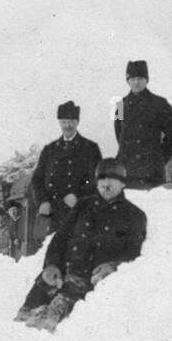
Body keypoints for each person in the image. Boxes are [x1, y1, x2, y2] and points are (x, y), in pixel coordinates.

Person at [15, 158, 147, 332]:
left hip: (86, 282)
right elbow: (60, 238)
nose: (106, 184)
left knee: (44, 326)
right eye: (102, 179)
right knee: (20, 322)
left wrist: (113, 266)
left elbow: (133, 253)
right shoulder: (83, 206)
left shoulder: (134, 215)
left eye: (112, 179)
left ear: (122, 183)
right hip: (60, 273)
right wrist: (51, 265)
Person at [30, 101, 102, 246]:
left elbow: (98, 181)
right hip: (52, 214)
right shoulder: (49, 150)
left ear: (77, 122)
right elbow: (37, 179)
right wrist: (43, 201)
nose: (68, 126)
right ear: (59, 122)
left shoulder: (90, 148)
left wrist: (78, 197)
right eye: (64, 122)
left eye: (71, 121)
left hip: (78, 213)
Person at [115, 60, 172, 190]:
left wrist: (159, 159)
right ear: (127, 81)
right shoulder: (121, 105)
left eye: (140, 78)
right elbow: (119, 134)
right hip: (127, 169)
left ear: (147, 80)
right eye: (132, 79)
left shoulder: (160, 104)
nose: (136, 82)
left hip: (151, 170)